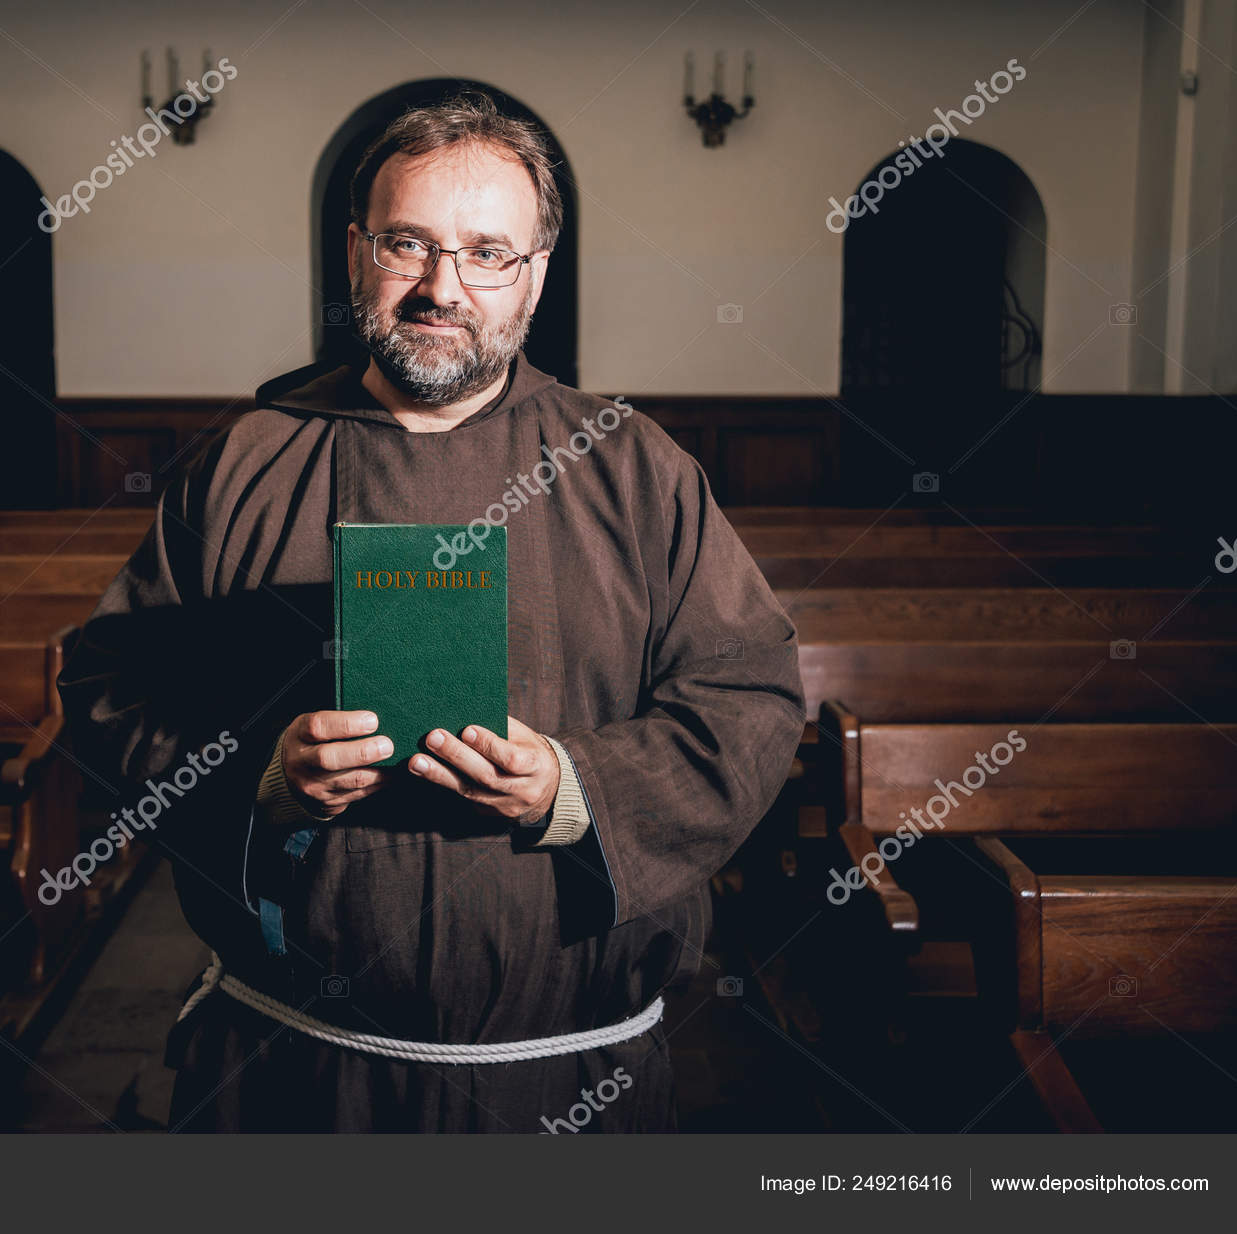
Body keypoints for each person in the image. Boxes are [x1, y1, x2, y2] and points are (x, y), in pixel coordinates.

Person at [56, 90, 804, 1133]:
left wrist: (574, 786)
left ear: (536, 273)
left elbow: (751, 701)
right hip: (294, 1065)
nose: (441, 287)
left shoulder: (637, 471)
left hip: (569, 1079)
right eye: (408, 244)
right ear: (357, 252)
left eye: (487, 251)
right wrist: (263, 779)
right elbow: (108, 691)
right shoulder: (246, 461)